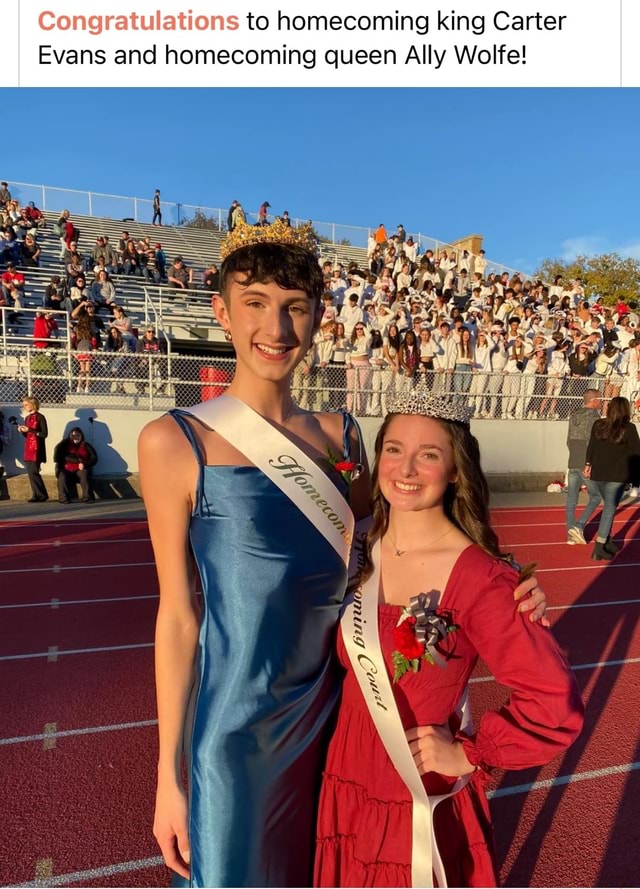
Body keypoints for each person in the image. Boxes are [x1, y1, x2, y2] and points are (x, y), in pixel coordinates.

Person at [138, 221, 548, 888]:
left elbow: (402, 545)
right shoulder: (175, 442)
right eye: (256, 302)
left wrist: (507, 587)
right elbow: (178, 616)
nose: (277, 326)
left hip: (343, 719)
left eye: (295, 306)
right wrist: (168, 776)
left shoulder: (342, 436)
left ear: (317, 316)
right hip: (238, 738)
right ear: (220, 310)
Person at [315, 392, 584, 889]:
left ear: (456, 470)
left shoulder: (482, 578)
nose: (407, 468)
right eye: (394, 449)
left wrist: (469, 752)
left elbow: (554, 703)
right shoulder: (355, 545)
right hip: (343, 771)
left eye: (429, 455)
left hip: (414, 786)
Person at [585, 396, 640, 560]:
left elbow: (592, 446)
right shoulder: (629, 428)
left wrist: (588, 464)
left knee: (610, 506)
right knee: (609, 508)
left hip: (599, 475)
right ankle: (600, 546)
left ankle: (607, 539)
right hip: (617, 475)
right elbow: (637, 452)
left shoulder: (598, 425)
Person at [565, 389, 604, 545]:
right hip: (585, 462)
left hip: (573, 459)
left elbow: (568, 440)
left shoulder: (574, 414)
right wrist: (591, 462)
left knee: (571, 500)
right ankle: (578, 525)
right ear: (593, 400)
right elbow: (596, 442)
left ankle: (570, 535)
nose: (601, 402)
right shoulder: (595, 417)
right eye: (600, 399)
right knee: (595, 496)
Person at [54, 427, 97, 503]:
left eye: (77, 435)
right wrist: (78, 461)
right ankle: (63, 498)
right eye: (73, 435)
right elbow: (59, 456)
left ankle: (87, 497)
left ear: (81, 436)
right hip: (67, 469)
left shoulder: (86, 445)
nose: (75, 437)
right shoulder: (65, 445)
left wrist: (85, 464)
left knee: (84, 473)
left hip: (80, 469)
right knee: (62, 475)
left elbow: (94, 458)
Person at [18, 396, 48, 502]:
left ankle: (42, 494)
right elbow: (28, 436)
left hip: (37, 449)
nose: (24, 406)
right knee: (30, 473)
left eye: (26, 404)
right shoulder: (27, 418)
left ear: (32, 404)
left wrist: (30, 429)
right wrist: (23, 432)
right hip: (28, 449)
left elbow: (44, 434)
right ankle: (36, 494)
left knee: (34, 471)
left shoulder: (40, 417)